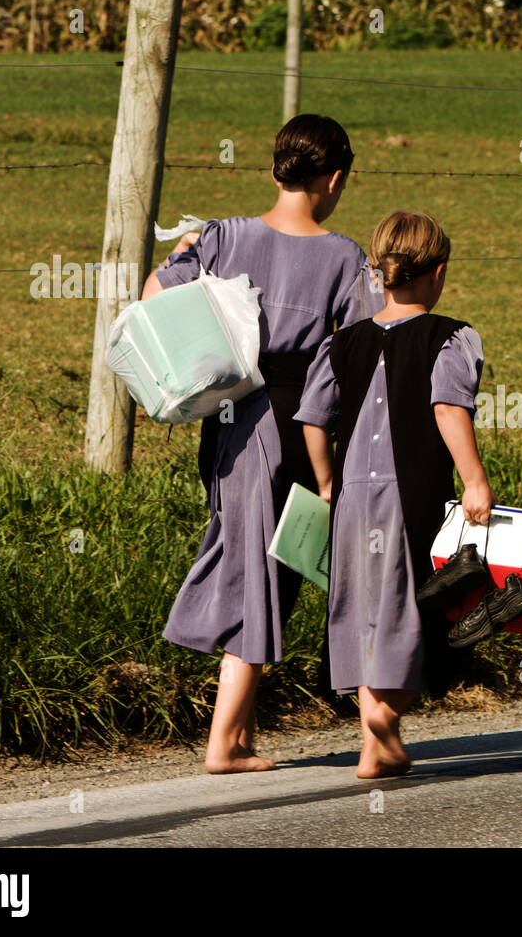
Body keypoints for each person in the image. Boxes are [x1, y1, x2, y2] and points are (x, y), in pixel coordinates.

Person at [143, 114, 380, 774]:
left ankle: (239, 735)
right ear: (333, 179)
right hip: (295, 423)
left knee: (254, 560)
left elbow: (153, 297)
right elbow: (361, 351)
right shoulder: (344, 256)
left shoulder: (220, 236)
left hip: (227, 415)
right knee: (267, 571)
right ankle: (223, 743)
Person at [298, 210, 493, 778]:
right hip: (412, 495)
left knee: (363, 612)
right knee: (423, 610)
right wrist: (474, 478)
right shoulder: (451, 336)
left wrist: (327, 480)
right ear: (437, 272)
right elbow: (448, 406)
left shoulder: (342, 343)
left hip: (354, 497)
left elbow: (313, 416)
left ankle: (372, 749)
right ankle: (386, 717)